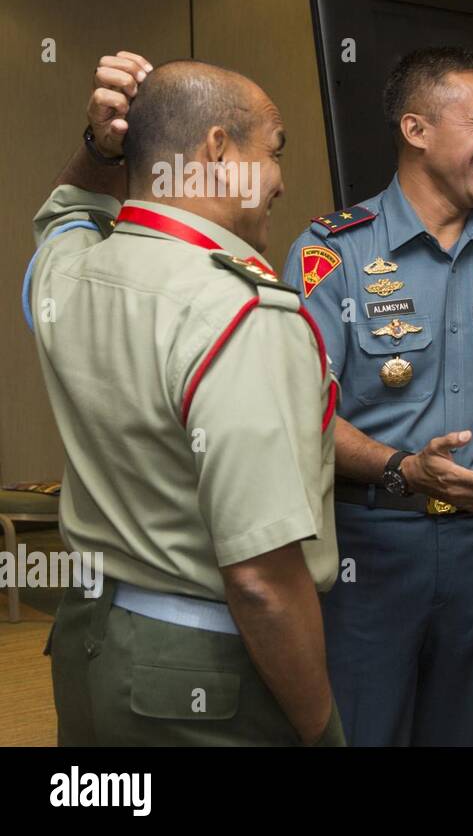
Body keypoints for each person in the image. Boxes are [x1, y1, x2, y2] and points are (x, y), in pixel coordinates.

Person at [27, 52, 343, 745]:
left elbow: (65, 212)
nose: (282, 181)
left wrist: (98, 150)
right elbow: (261, 579)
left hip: (90, 647)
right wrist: (322, 730)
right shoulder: (244, 314)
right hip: (204, 677)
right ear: (218, 149)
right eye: (275, 151)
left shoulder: (70, 276)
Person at [282, 46, 473, 746]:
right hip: (371, 542)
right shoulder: (335, 254)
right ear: (417, 130)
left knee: (466, 731)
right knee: (363, 728)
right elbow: (303, 414)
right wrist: (402, 466)